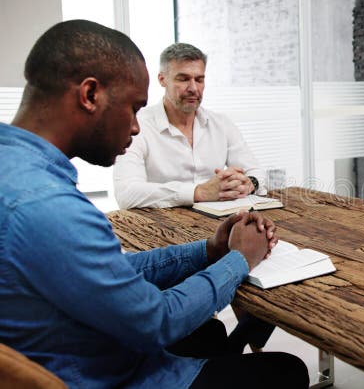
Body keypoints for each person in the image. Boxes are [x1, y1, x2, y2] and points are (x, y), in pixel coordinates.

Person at [0, 20, 308, 388]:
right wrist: (239, 259)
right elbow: (157, 321)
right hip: (106, 374)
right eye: (132, 108)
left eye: (200, 79)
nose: (134, 127)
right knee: (287, 370)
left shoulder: (16, 171)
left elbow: (114, 271)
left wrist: (208, 250)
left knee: (209, 333)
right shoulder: (48, 205)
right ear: (90, 94)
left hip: (73, 347)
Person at [113, 42, 264, 209]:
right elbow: (126, 194)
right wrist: (197, 192)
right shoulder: (137, 126)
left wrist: (249, 184)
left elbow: (256, 172)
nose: (193, 88)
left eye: (199, 80)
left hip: (220, 220)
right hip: (162, 223)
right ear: (162, 80)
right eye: (183, 79)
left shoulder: (221, 124)